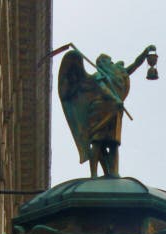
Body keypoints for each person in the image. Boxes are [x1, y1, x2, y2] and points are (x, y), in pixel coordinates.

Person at [58, 45, 156, 177]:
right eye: (109, 62)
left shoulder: (116, 75)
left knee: (114, 143)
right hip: (100, 109)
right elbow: (103, 88)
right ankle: (94, 174)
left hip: (115, 109)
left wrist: (145, 54)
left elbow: (134, 66)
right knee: (97, 142)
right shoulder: (99, 75)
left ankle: (114, 172)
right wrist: (115, 98)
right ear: (102, 63)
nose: (112, 64)